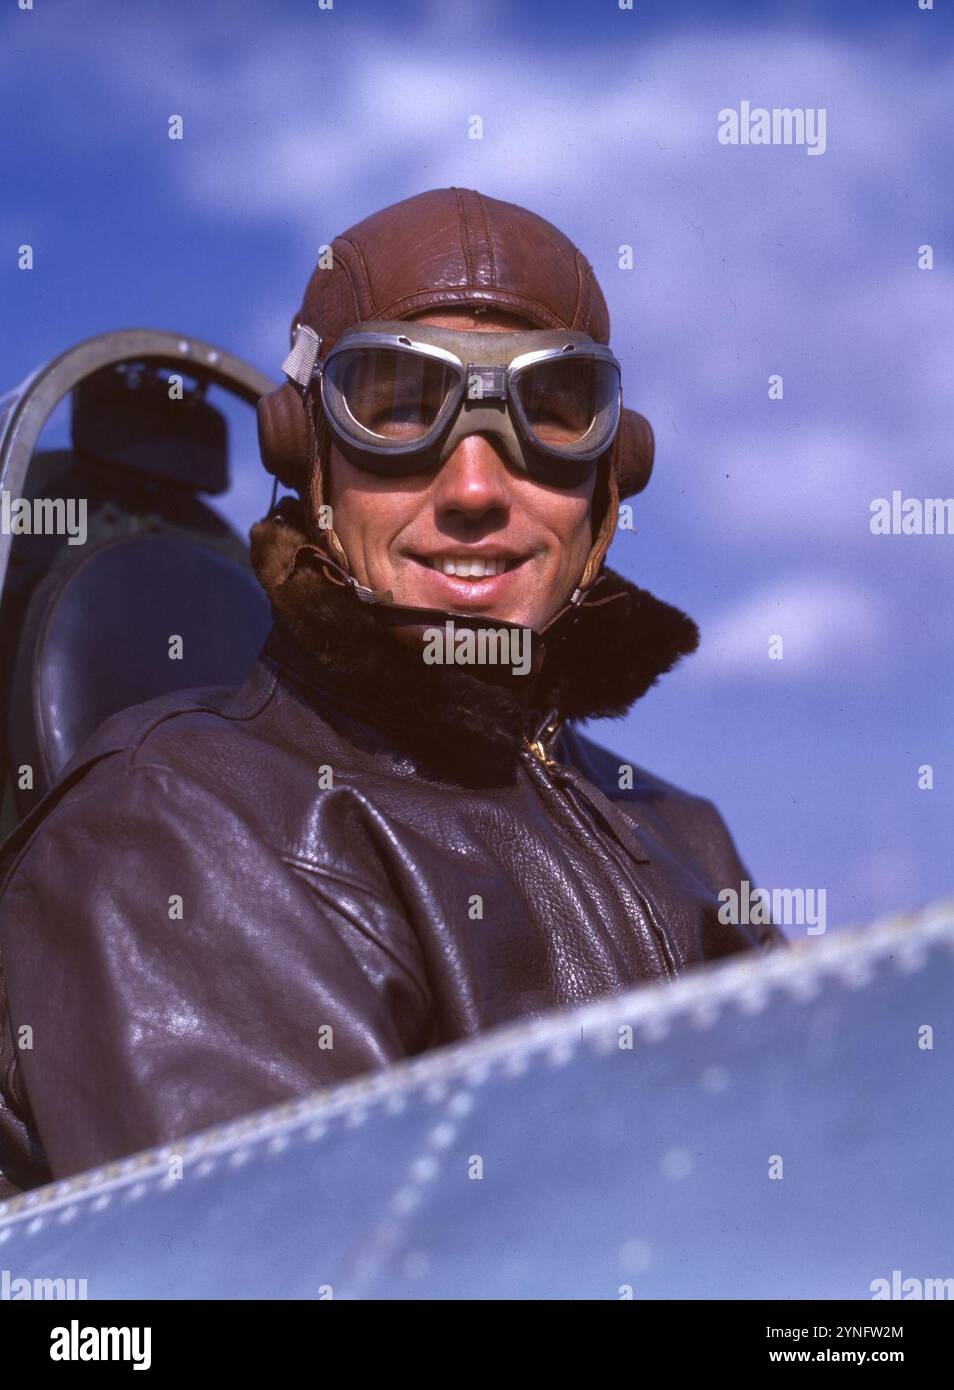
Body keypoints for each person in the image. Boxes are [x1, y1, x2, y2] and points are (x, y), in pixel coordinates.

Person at [0, 187, 784, 1195]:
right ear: (309, 465)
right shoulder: (175, 831)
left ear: (608, 484)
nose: (472, 487)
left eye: (549, 413)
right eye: (401, 406)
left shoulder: (685, 833)